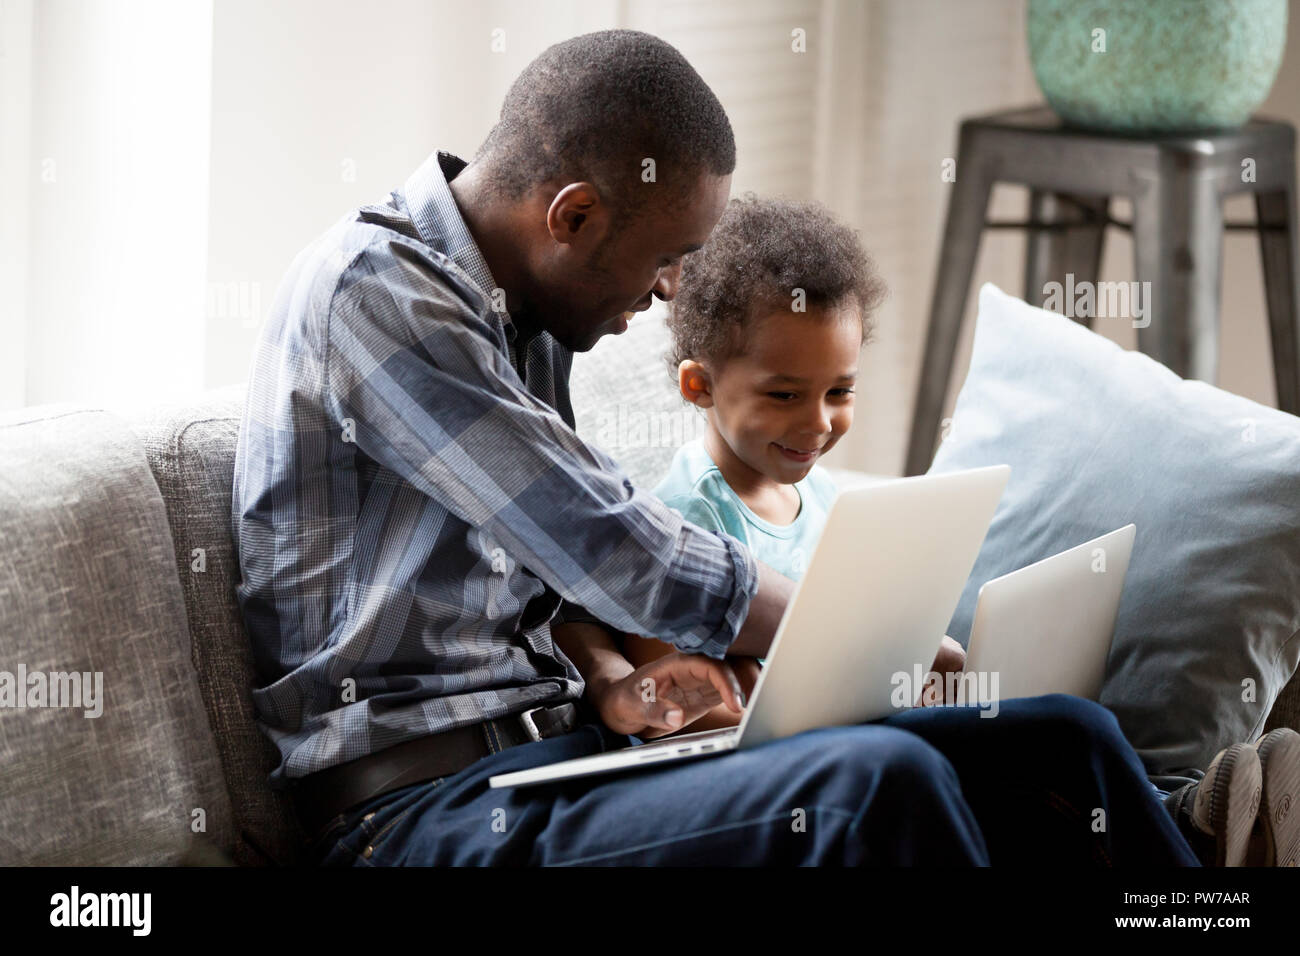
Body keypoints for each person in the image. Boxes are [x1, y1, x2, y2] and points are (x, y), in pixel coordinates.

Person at [231, 28, 1198, 866]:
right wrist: (870, 633)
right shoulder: (376, 295)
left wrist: (617, 683)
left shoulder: (519, 316)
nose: (666, 294)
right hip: (415, 819)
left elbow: (554, 582)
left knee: (1063, 741)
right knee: (876, 781)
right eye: (663, 258)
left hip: (562, 758)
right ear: (570, 216)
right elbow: (603, 538)